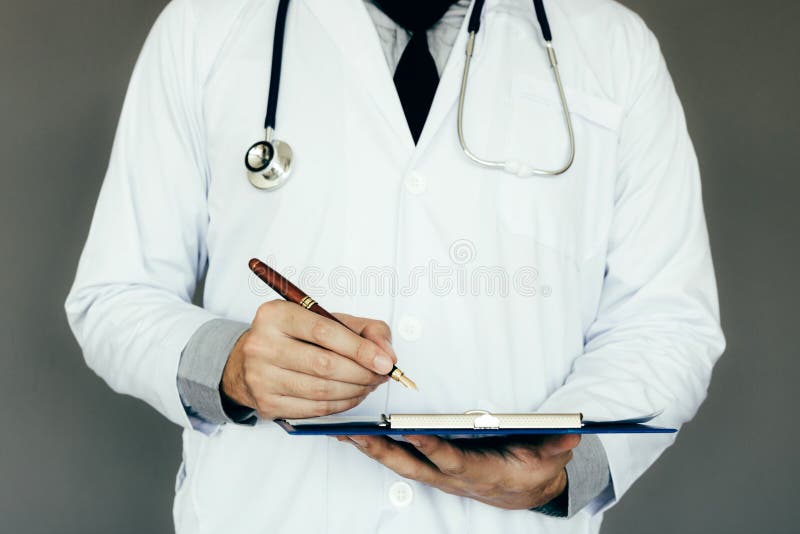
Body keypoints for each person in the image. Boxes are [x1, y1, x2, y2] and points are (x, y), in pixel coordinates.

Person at [64, 0, 725, 532]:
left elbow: (667, 324)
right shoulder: (206, 27)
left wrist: (565, 474)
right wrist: (230, 365)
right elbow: (115, 295)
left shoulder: (612, 48)